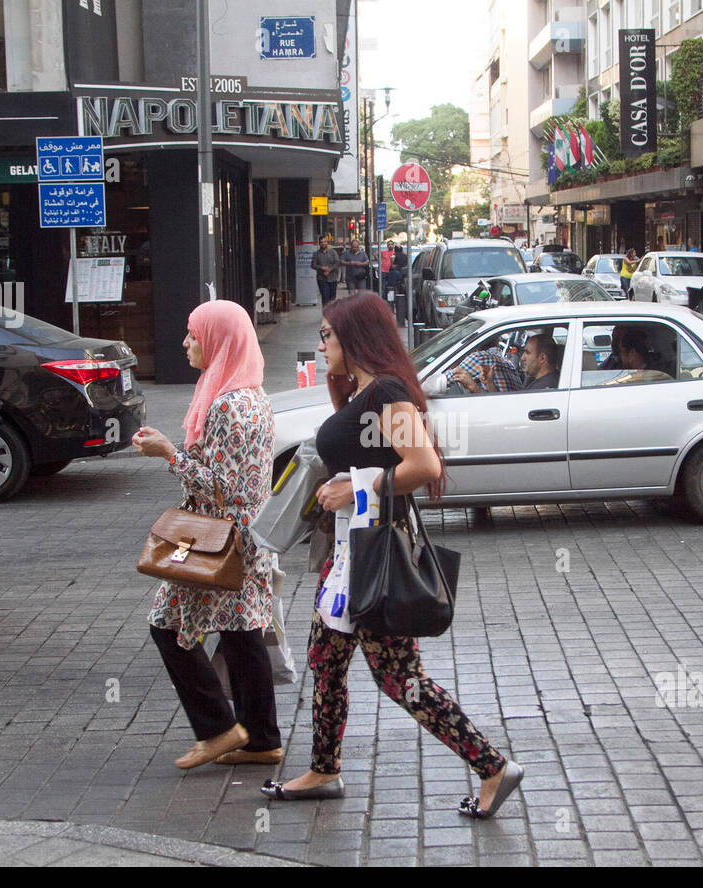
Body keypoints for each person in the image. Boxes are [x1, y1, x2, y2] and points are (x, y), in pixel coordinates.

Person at [261, 292, 523, 819]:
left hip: (375, 552)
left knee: (400, 679)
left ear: (355, 337)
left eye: (328, 335)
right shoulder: (363, 390)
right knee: (325, 660)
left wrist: (355, 489)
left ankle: (493, 766)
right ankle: (324, 769)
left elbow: (423, 466)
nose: (321, 344)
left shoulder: (387, 391)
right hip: (348, 551)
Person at [130, 300, 283, 771]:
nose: (186, 343)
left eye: (194, 335)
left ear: (218, 340)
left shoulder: (228, 405)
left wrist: (168, 454)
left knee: (166, 625)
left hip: (220, 543)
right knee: (242, 634)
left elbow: (223, 487)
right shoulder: (251, 393)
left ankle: (217, 729)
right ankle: (261, 739)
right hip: (248, 538)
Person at [451, 345, 525, 393]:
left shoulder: (478, 358)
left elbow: (446, 378)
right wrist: (489, 384)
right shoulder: (507, 362)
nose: (522, 358)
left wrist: (473, 386)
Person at [311, 239, 340, 306]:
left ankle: (332, 314)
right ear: (319, 244)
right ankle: (325, 314)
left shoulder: (333, 252)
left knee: (332, 298)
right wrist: (321, 267)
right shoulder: (316, 254)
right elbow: (313, 265)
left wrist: (329, 270)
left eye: (324, 242)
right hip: (322, 278)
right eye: (321, 242)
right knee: (325, 297)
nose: (323, 243)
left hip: (333, 278)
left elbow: (337, 262)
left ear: (327, 243)